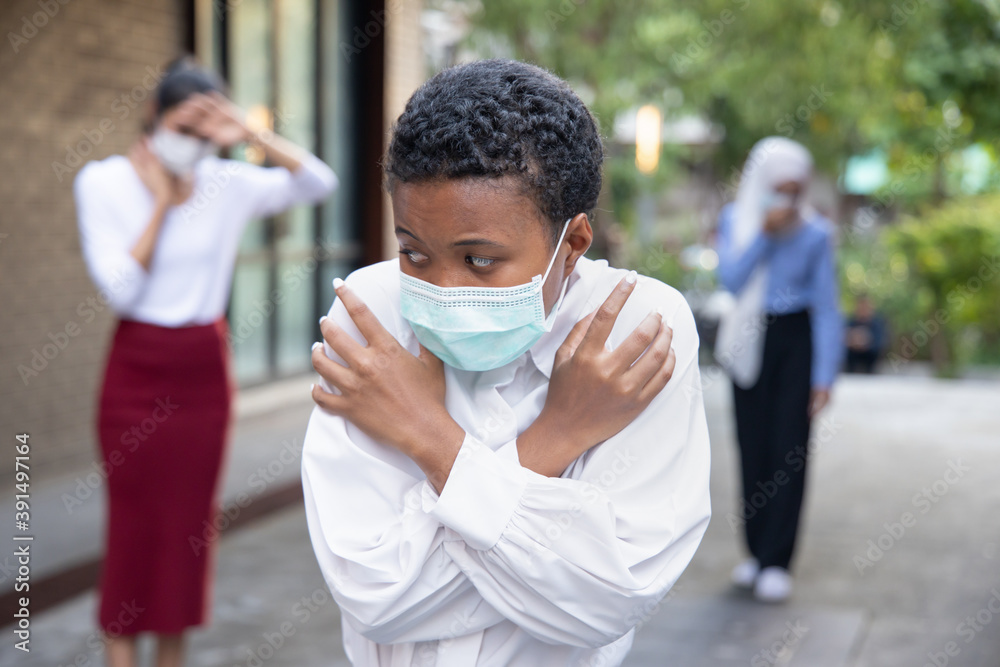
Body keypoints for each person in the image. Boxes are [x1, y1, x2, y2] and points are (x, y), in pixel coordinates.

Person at [301, 59, 711, 666]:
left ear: (571, 243)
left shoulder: (638, 329)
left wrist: (429, 445)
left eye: (480, 261)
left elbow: (609, 597)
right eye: (413, 252)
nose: (442, 287)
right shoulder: (372, 316)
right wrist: (558, 443)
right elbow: (372, 593)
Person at [74, 56, 336, 667]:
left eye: (203, 130)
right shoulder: (103, 180)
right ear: (153, 116)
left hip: (200, 377)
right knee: (133, 530)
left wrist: (251, 134)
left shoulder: (226, 181)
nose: (191, 143)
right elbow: (121, 290)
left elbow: (319, 183)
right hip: (135, 371)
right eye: (182, 126)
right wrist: (162, 204)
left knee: (185, 538)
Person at [714, 137, 842, 603]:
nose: (787, 198)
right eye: (779, 188)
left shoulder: (816, 233)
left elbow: (827, 307)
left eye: (795, 189)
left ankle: (777, 559)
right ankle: (754, 551)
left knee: (789, 449)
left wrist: (824, 376)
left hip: (795, 341)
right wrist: (765, 234)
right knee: (752, 445)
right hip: (749, 339)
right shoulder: (738, 221)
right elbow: (729, 279)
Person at [845, 294, 886, 373]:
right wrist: (852, 340)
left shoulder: (878, 324)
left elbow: (880, 344)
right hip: (851, 361)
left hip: (871, 362)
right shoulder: (850, 323)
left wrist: (866, 342)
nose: (863, 309)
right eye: (861, 306)